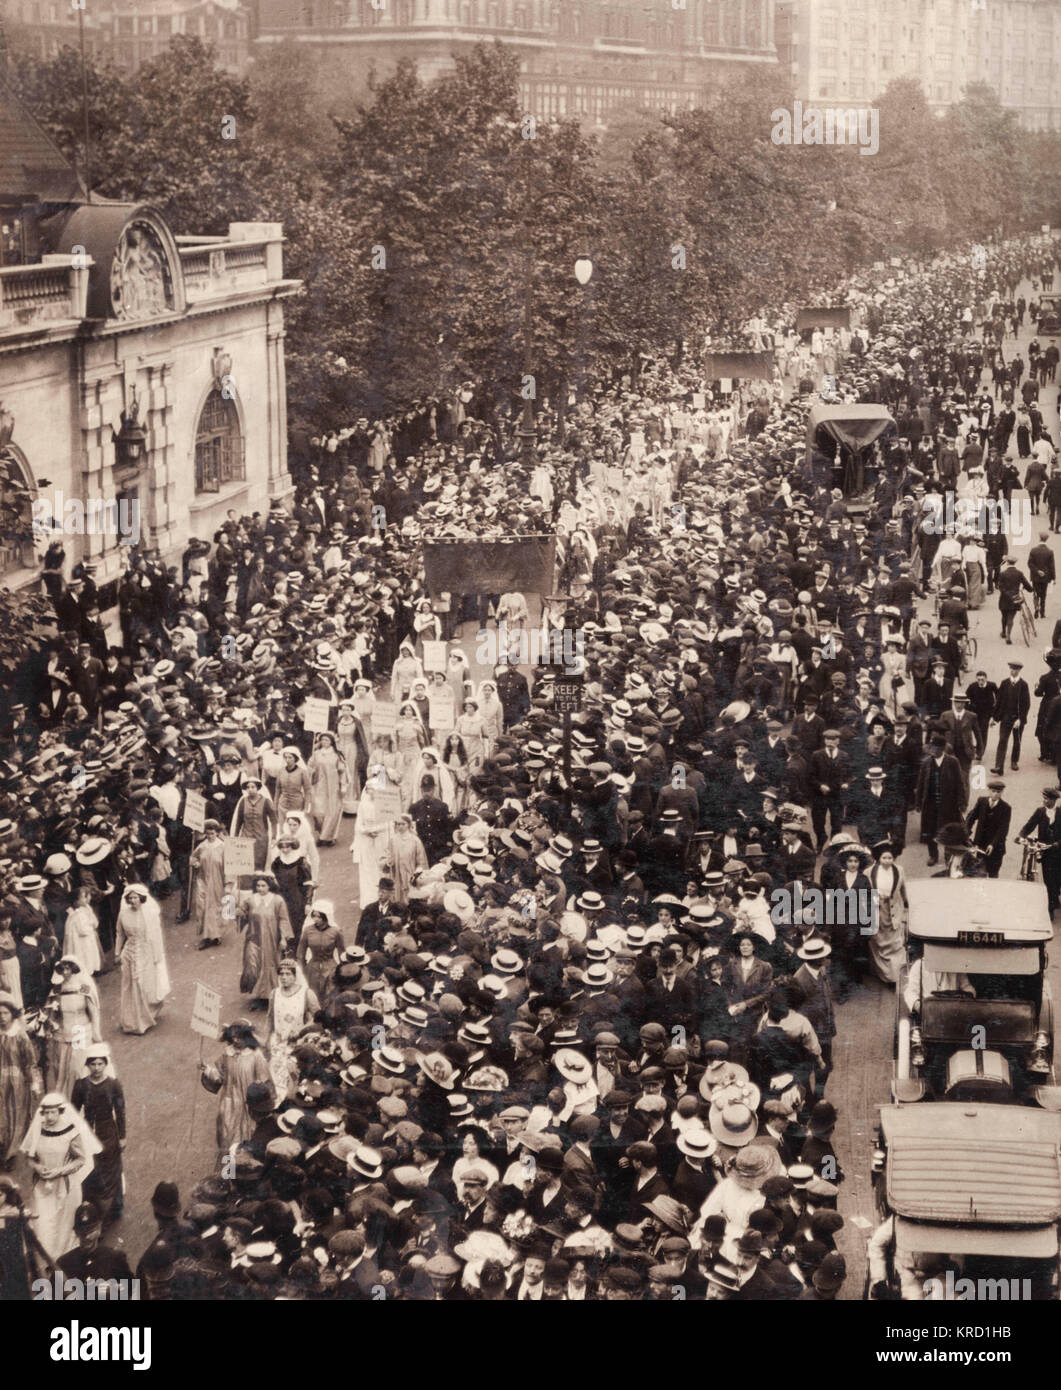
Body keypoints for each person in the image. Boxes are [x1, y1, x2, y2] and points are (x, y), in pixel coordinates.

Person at [19, 1091, 101, 1263]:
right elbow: (29, 1158)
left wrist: (59, 1171)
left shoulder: (71, 1130)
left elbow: (80, 1160)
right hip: (42, 1187)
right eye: (46, 1112)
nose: (49, 1116)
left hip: (66, 1186)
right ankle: (46, 1262)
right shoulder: (37, 1129)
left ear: (60, 1111)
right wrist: (38, 1167)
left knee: (64, 1226)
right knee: (44, 1225)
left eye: (53, 1112)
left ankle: (64, 1263)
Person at [200, 1019, 273, 1161]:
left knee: (248, 1135)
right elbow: (220, 1076)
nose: (236, 1040)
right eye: (233, 1037)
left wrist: (261, 1102)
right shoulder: (227, 1054)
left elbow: (265, 1081)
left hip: (249, 1103)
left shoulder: (256, 1056)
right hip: (229, 1102)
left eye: (239, 1037)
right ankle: (228, 1166)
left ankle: (244, 1166)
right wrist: (207, 1069)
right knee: (226, 1132)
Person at [71, 1045, 125, 1222]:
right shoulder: (81, 1085)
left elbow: (120, 1111)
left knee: (111, 1169)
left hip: (108, 1131)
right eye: (93, 1064)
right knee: (91, 1170)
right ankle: (93, 1209)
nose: (96, 1068)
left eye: (100, 1064)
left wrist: (123, 1136)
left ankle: (114, 1208)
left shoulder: (113, 1084)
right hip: (88, 1132)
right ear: (87, 1065)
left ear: (105, 1064)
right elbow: (73, 1111)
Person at [114, 885, 169, 1035]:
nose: (133, 901)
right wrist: (117, 952)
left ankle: (147, 1014)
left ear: (141, 898)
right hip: (129, 953)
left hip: (145, 952)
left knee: (143, 985)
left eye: (135, 898)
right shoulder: (123, 914)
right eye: (130, 898)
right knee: (129, 986)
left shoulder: (149, 914)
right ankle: (132, 1021)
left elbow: (155, 936)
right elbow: (119, 933)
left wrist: (156, 954)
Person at [266, 959, 319, 1103]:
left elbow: (318, 1018)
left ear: (295, 976)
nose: (283, 977)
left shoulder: (306, 994)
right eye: (281, 974)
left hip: (298, 1046)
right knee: (276, 1081)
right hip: (277, 1045)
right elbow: (270, 1021)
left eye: (288, 974)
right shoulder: (274, 994)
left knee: (294, 1081)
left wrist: (301, 1030)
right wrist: (267, 1043)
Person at [238, 875, 293, 1009]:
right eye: (258, 886)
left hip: (271, 939)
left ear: (269, 886)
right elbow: (240, 914)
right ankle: (257, 996)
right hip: (253, 938)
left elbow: (283, 919)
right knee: (253, 964)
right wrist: (237, 910)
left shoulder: (277, 900)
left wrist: (284, 938)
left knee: (270, 964)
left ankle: (272, 995)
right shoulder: (250, 900)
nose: (261, 889)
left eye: (264, 886)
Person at [0, 993, 41, 1167]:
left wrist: (34, 1083)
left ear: (12, 1014)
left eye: (5, 1013)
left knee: (14, 1117)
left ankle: (10, 1153)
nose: (2, 1017)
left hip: (16, 1084)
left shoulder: (20, 1035)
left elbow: (30, 1062)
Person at [190, 819, 228, 949]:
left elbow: (229, 866)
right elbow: (193, 857)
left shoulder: (223, 846)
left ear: (217, 833)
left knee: (216, 907)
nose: (210, 836)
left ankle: (216, 935)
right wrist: (195, 863)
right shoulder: (202, 846)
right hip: (203, 879)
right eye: (208, 833)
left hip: (218, 881)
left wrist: (228, 883)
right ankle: (206, 936)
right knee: (203, 907)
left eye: (212, 833)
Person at [308, 732, 348, 847]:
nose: (324, 742)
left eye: (327, 740)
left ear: (331, 742)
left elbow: (342, 772)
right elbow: (309, 767)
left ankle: (327, 837)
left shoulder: (337, 755)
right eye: (323, 740)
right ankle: (322, 833)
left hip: (333, 786)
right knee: (318, 812)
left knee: (332, 811)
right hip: (319, 786)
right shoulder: (316, 754)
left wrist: (343, 786)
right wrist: (310, 770)